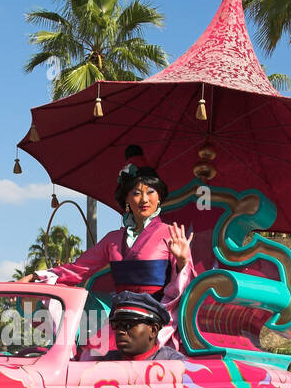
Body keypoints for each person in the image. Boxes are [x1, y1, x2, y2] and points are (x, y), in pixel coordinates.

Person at [20, 147, 193, 347]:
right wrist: (37, 277)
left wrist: (182, 262)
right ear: (127, 200)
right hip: (118, 323)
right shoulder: (112, 239)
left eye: (150, 192)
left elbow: (183, 287)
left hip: (155, 326)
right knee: (87, 359)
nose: (144, 199)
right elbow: (78, 270)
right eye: (136, 193)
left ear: (159, 197)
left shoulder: (171, 234)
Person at [98, 292, 187, 361]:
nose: (120, 331)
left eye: (128, 325)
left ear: (153, 330)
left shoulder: (173, 363)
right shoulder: (107, 361)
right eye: (116, 325)